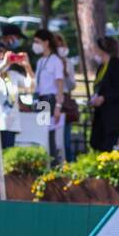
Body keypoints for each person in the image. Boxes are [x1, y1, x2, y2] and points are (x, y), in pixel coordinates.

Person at [88, 35, 119, 152]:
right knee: (97, 142)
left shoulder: (117, 65)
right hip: (102, 113)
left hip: (114, 115)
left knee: (109, 145)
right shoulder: (102, 67)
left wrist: (104, 98)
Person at [32, 28, 65, 163]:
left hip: (50, 99)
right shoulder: (40, 61)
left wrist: (58, 105)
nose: (35, 45)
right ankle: (43, 161)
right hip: (41, 99)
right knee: (41, 131)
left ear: (46, 43)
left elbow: (60, 84)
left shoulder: (55, 60)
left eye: (37, 42)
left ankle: (52, 163)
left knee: (48, 133)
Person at [53, 32, 79, 162]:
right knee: (51, 137)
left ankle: (68, 163)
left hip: (65, 101)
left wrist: (65, 73)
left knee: (65, 139)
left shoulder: (68, 62)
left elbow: (71, 85)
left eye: (62, 44)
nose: (61, 47)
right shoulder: (46, 62)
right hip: (50, 101)